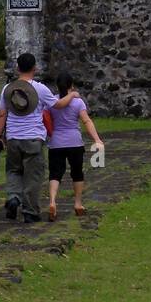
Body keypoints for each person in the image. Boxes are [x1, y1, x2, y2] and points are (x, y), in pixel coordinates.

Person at [0, 53, 77, 223]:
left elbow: (2, 114)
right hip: (34, 137)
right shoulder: (40, 89)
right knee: (33, 175)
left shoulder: (7, 89)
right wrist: (72, 95)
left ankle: (13, 196)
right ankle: (30, 211)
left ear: (17, 68)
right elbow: (58, 105)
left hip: (13, 137)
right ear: (35, 68)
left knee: (13, 170)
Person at [46, 71, 104, 222]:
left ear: (57, 87)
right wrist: (97, 139)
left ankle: (52, 201)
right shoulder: (78, 102)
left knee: (55, 174)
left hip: (56, 142)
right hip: (74, 142)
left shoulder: (52, 102)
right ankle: (78, 203)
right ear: (71, 85)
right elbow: (86, 121)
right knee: (77, 173)